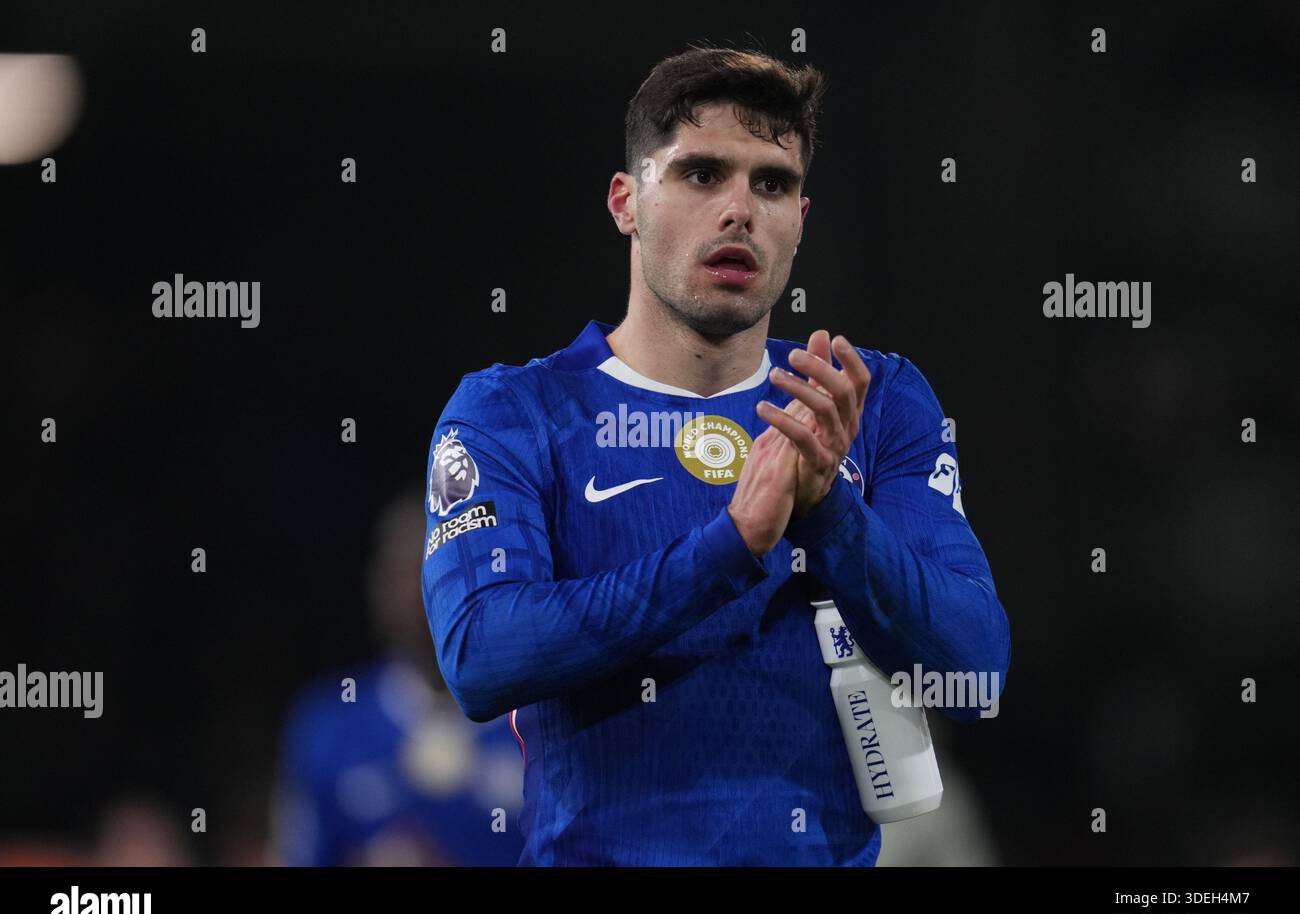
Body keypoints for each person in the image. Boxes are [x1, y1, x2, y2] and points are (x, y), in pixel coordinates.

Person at [421, 45, 1010, 865]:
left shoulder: (868, 399)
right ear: (627, 202)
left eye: (772, 183)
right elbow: (482, 656)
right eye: (701, 174)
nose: (739, 209)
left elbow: (976, 672)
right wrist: (728, 548)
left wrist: (831, 515)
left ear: (800, 220)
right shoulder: (514, 414)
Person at [274, 492, 525, 866]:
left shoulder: (534, 717)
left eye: (428, 571)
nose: (410, 593)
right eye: (396, 573)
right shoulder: (331, 723)